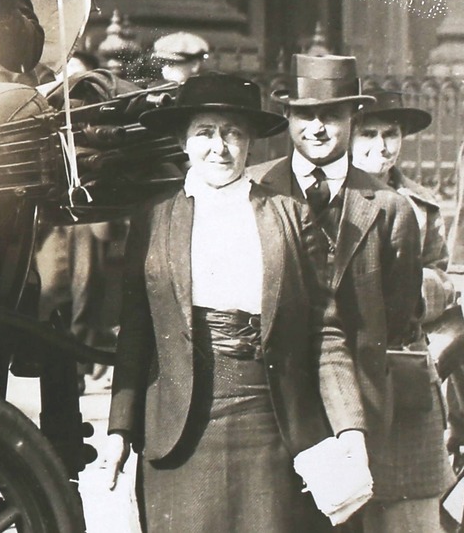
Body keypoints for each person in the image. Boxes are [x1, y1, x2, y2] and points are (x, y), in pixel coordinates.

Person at [106, 73, 367, 532]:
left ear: (250, 144)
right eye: (205, 132)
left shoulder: (290, 215)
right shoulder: (153, 222)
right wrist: (119, 432)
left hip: (271, 422)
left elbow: (324, 329)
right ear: (183, 141)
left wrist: (350, 428)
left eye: (233, 133)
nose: (220, 147)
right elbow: (137, 331)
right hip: (182, 426)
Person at [250, 54, 430, 532]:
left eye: (331, 115)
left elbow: (397, 316)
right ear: (288, 118)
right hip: (270, 395)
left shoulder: (390, 209)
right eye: (305, 115)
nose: (318, 128)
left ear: (353, 119)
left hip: (355, 407)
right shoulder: (254, 190)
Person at [350, 86, 455, 508]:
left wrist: (414, 291)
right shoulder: (330, 198)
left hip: (401, 359)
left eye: (390, 134)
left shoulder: (422, 204)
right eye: (368, 134)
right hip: (345, 355)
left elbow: (442, 276)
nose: (381, 146)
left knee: (407, 496)